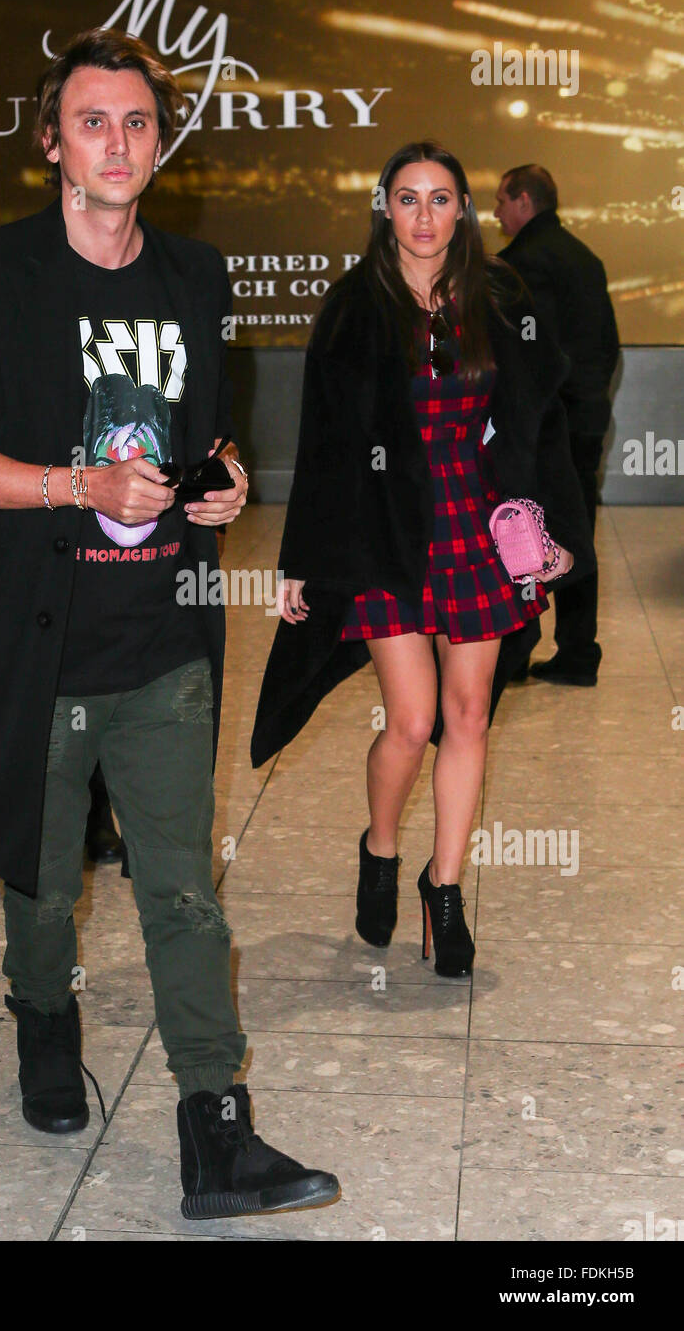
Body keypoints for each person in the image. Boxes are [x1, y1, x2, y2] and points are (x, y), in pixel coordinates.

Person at [0, 27, 338, 1221]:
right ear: (50, 142)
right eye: (92, 121)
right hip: (33, 644)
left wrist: (219, 481)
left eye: (137, 122)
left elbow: (199, 441)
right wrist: (80, 484)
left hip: (161, 641)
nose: (118, 142)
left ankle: (215, 1132)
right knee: (41, 886)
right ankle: (43, 1022)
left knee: (183, 891)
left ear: (159, 140)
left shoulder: (195, 276)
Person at [251, 140, 594, 976]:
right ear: (384, 210)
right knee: (409, 721)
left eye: (440, 199)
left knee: (467, 715)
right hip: (386, 531)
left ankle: (443, 891)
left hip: (477, 531)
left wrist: (547, 525)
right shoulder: (354, 306)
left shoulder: (498, 297)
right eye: (407, 199)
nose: (424, 216)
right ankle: (379, 846)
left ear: (463, 211)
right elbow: (325, 441)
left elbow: (537, 417)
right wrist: (300, 560)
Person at [495, 164, 619, 686]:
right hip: (588, 416)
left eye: (501, 201)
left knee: (520, 531)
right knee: (575, 533)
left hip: (545, 427)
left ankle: (515, 649)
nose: (496, 212)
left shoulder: (519, 266)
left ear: (524, 201)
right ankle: (578, 650)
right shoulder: (585, 258)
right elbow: (607, 346)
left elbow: (526, 359)